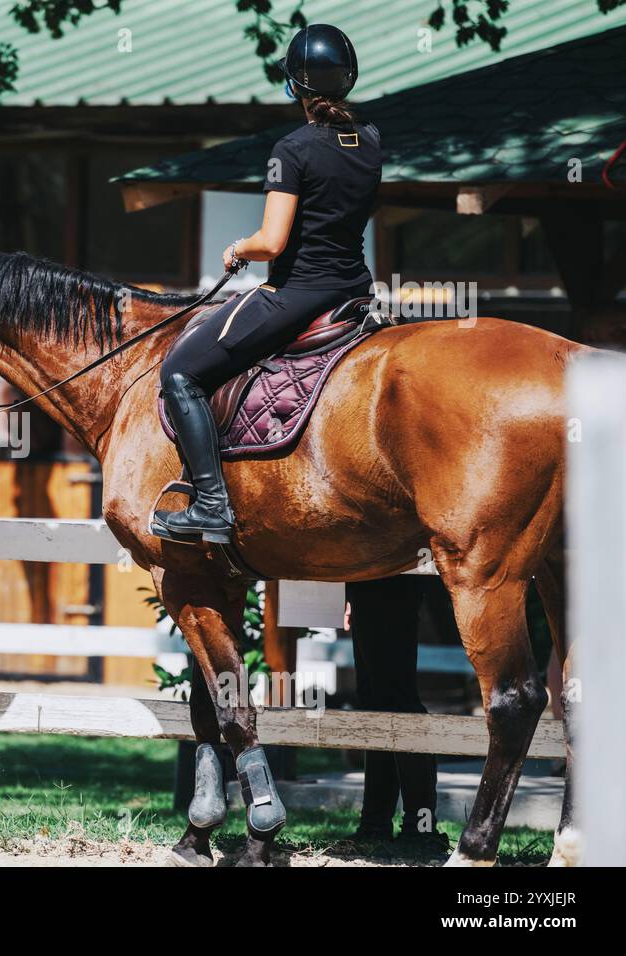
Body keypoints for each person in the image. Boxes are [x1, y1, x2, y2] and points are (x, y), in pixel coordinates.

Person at [152, 24, 380, 543]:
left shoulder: (292, 149)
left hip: (297, 294)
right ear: (347, 79)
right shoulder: (370, 141)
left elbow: (273, 242)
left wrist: (237, 249)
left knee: (181, 372)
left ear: (295, 86)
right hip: (354, 291)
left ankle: (211, 505)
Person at [345, 576, 453, 852]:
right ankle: (377, 824)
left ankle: (419, 827)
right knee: (375, 701)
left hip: (390, 572)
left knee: (397, 699)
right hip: (366, 577)